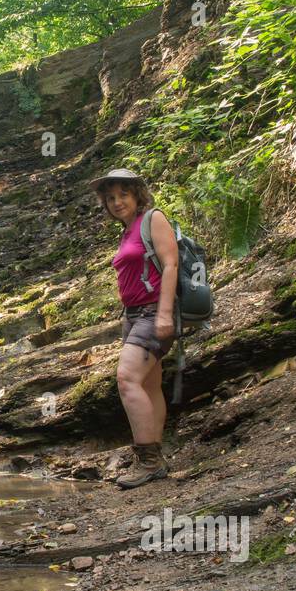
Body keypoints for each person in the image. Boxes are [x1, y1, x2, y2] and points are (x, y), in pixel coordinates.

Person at [88, 168, 179, 488]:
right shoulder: (127, 230)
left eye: (123, 194)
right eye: (110, 198)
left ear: (137, 194)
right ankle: (156, 458)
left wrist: (165, 314)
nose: (117, 202)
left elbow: (171, 264)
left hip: (153, 314)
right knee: (149, 386)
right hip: (134, 315)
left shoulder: (153, 218)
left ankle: (147, 461)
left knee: (126, 379)